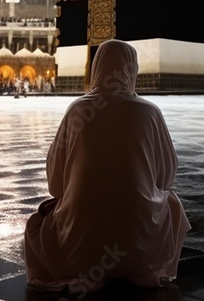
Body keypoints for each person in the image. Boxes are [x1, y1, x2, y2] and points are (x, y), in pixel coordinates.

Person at [24, 40, 189, 294]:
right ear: (131, 69)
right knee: (173, 205)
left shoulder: (78, 110)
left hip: (78, 251)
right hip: (140, 246)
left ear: (97, 67)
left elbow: (56, 184)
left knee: (37, 222)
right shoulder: (149, 111)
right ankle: (142, 271)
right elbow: (166, 177)